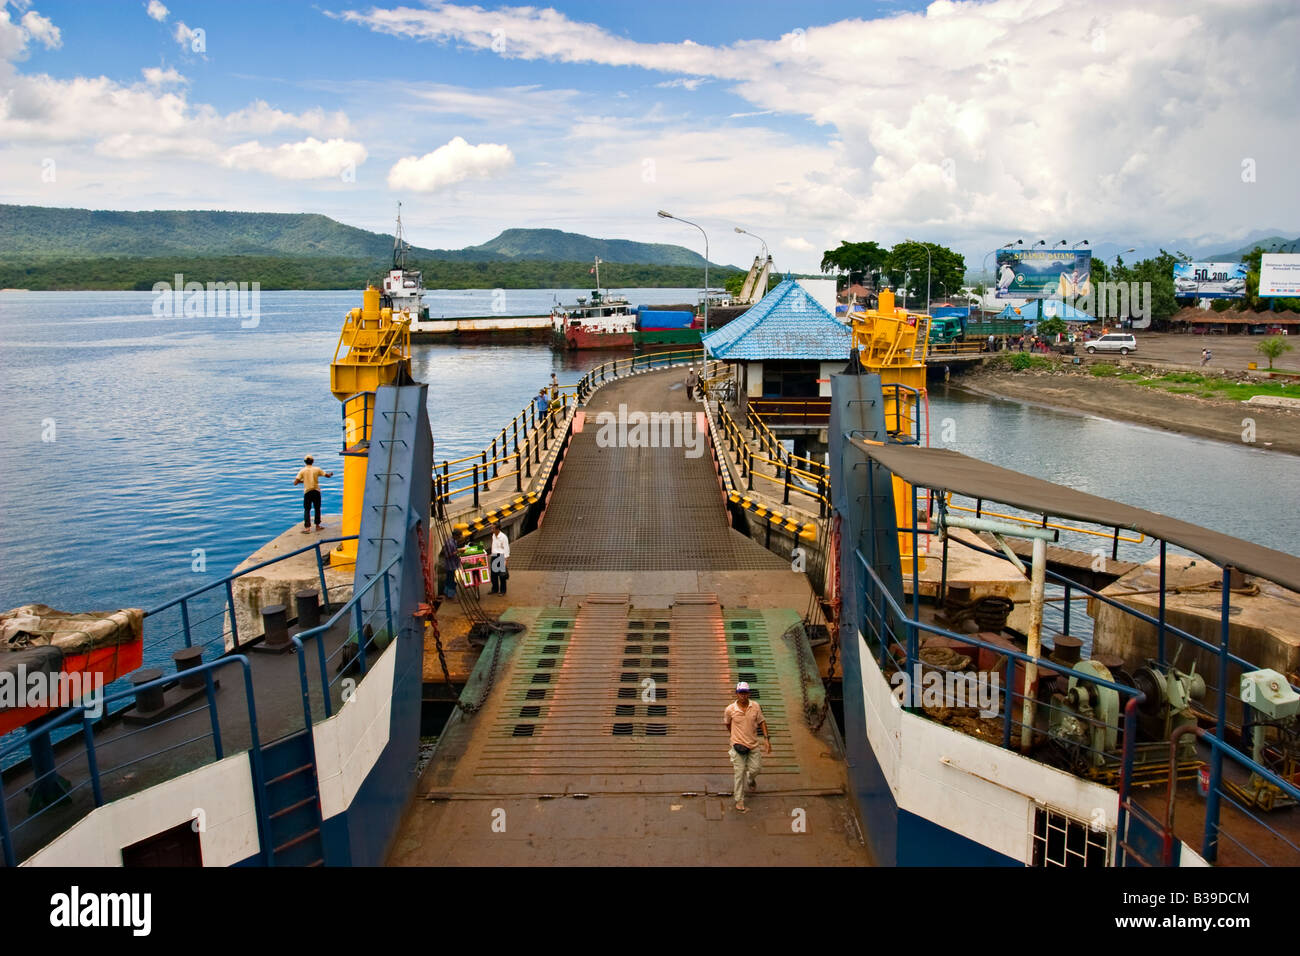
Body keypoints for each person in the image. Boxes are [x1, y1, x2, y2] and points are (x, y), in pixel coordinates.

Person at [724, 681, 771, 813]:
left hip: (753, 744)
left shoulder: (755, 706)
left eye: (745, 692)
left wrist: (766, 740)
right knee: (739, 773)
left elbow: (762, 721)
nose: (743, 695)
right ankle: (739, 799)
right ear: (736, 694)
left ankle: (751, 778)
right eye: (740, 693)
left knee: (756, 769)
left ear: (748, 693)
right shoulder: (730, 710)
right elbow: (727, 724)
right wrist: (735, 737)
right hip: (738, 745)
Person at [293, 455, 333, 533]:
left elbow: (295, 483)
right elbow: (327, 476)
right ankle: (317, 526)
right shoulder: (317, 469)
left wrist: (304, 481)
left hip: (307, 492)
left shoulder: (302, 471)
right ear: (313, 461)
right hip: (316, 491)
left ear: (305, 462)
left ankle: (307, 528)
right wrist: (330, 474)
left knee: (307, 509)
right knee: (317, 508)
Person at [489, 522, 510, 595]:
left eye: (493, 528)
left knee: (502, 575)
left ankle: (502, 591)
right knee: (493, 575)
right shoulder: (493, 535)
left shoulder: (503, 537)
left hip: (501, 557)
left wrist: (506, 561)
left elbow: (506, 549)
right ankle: (494, 589)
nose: (491, 530)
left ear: (497, 529)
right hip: (494, 556)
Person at [440, 534, 460, 598]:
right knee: (450, 579)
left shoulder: (455, 541)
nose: (459, 538)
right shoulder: (449, 543)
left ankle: (446, 592)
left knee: (449, 578)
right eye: (459, 536)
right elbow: (448, 555)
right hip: (450, 565)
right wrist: (457, 551)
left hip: (454, 563)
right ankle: (450, 594)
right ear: (455, 535)